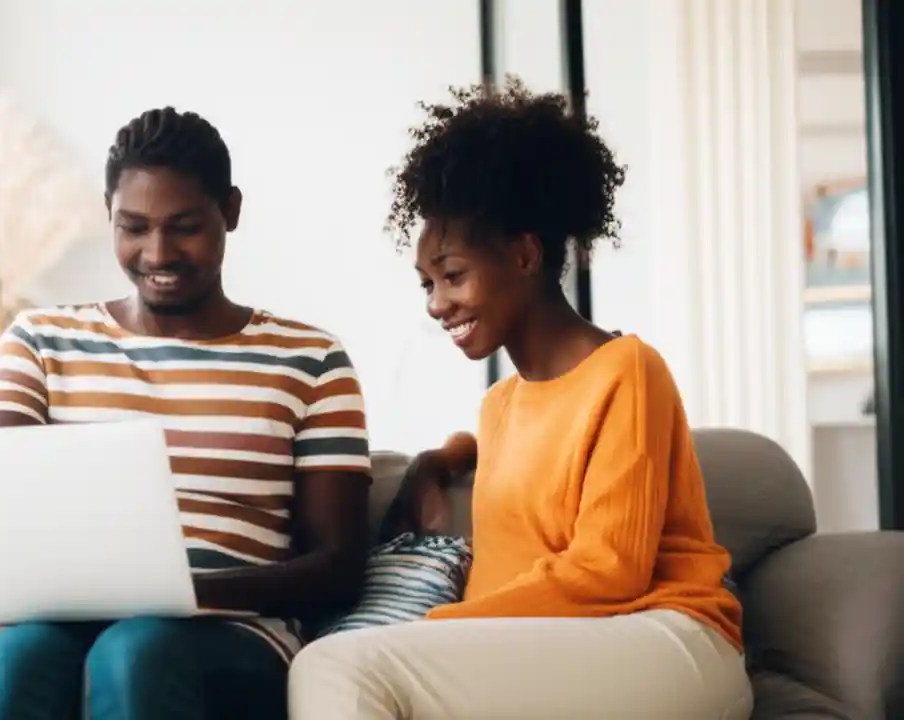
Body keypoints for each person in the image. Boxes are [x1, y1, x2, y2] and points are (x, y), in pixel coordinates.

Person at [288, 81, 753, 719]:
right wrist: (439, 461)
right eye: (427, 283)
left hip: (669, 638)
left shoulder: (628, 372)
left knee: (336, 666)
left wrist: (437, 627)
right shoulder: (500, 406)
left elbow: (609, 570)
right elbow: (533, 473)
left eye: (453, 275)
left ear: (525, 255)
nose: (436, 303)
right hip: (565, 647)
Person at [0, 107, 372, 720]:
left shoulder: (310, 360)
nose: (158, 252)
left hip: (237, 635)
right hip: (69, 624)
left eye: (184, 227)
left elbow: (336, 568)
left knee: (136, 649)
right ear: (108, 216)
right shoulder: (39, 342)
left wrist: (174, 595)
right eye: (134, 227)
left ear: (230, 211)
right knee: (19, 659)